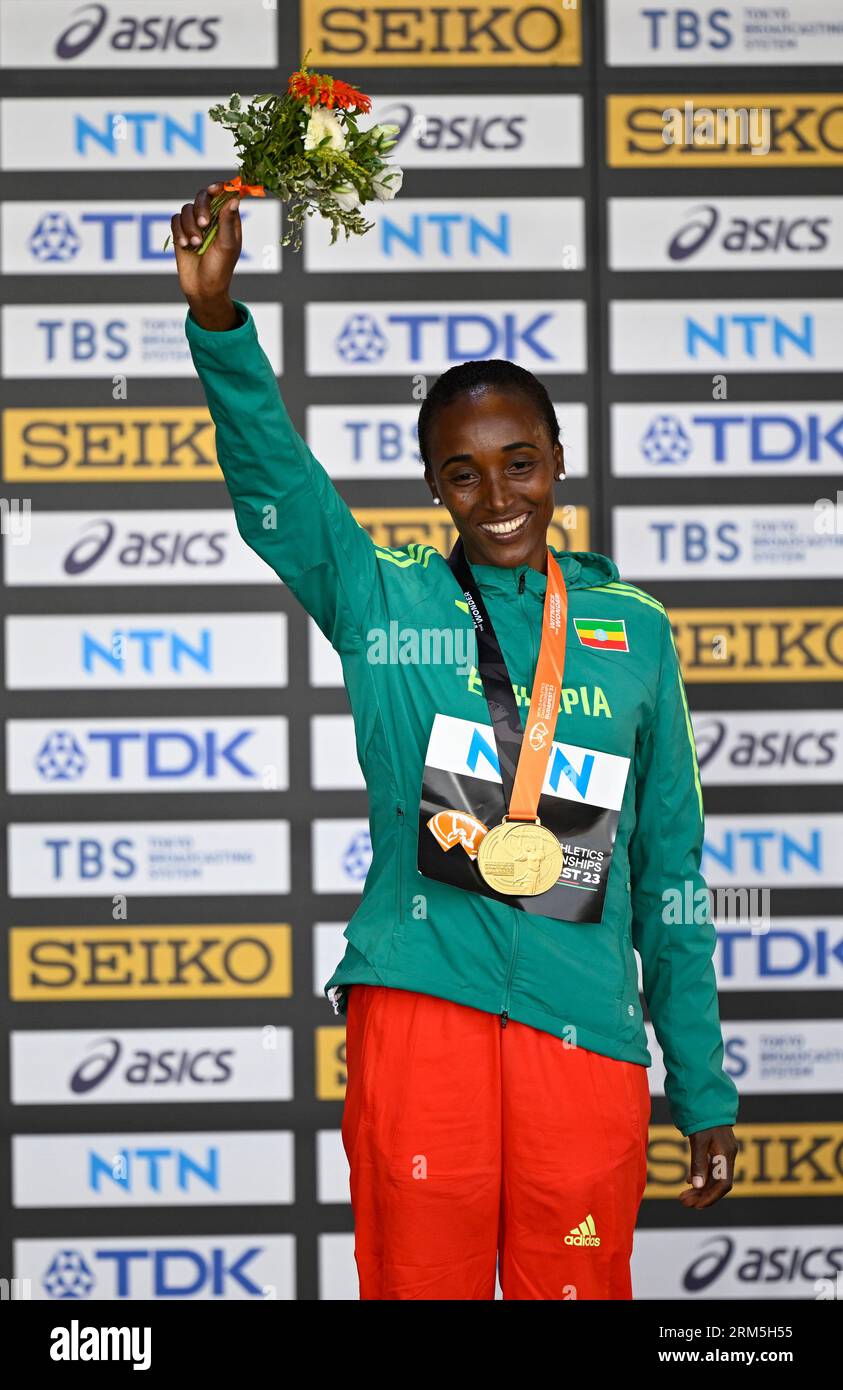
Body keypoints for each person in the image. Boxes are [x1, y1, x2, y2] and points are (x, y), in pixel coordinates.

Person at [175, 185, 739, 1302]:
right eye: (462, 472)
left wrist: (707, 1094)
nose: (497, 495)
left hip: (582, 1026)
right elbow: (277, 490)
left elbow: (668, 872)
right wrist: (219, 321)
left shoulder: (633, 632)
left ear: (559, 458)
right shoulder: (382, 601)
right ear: (433, 483)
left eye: (518, 462)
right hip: (423, 1003)